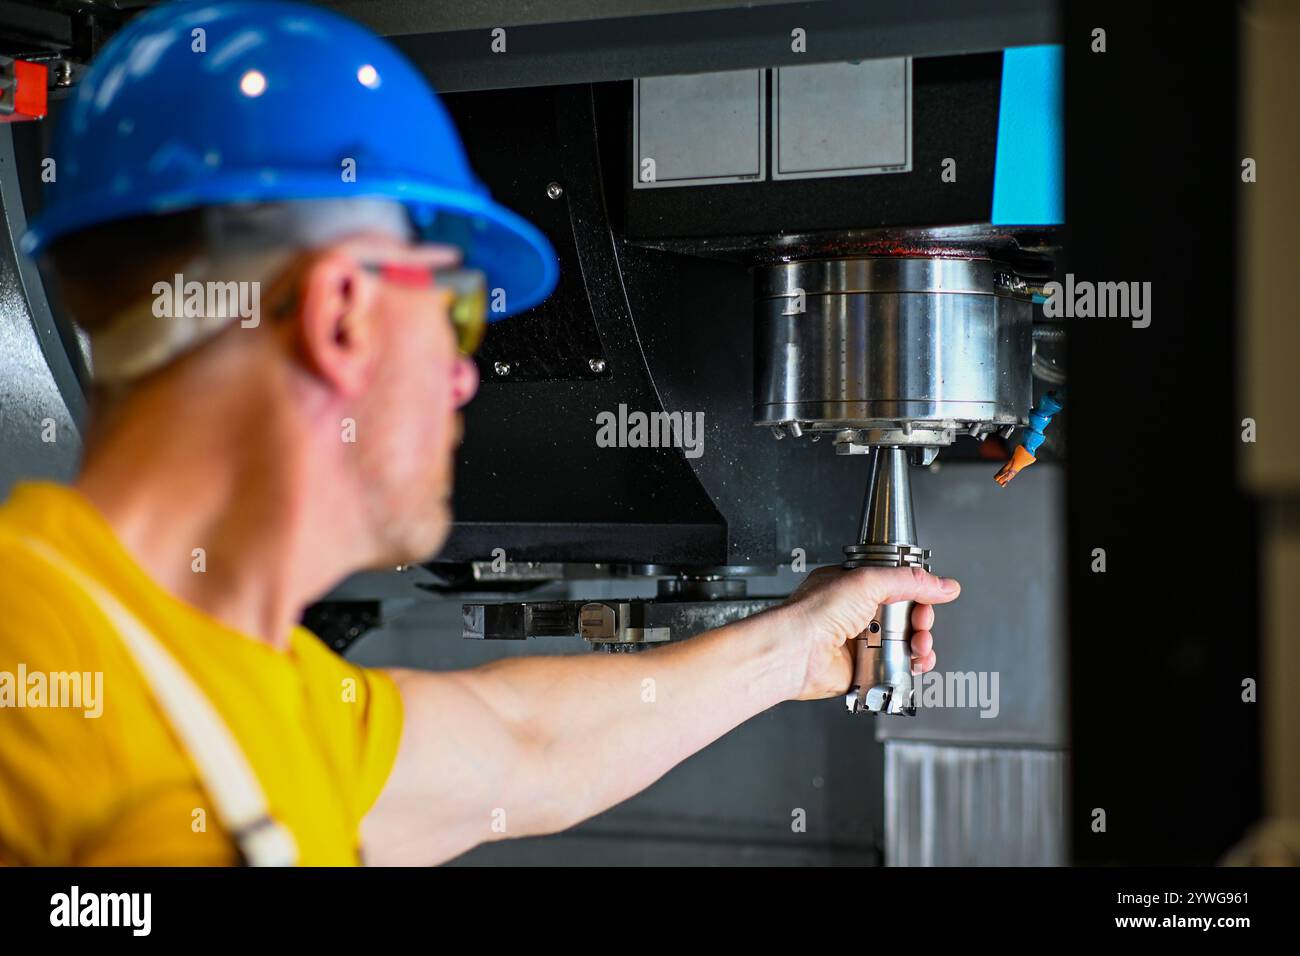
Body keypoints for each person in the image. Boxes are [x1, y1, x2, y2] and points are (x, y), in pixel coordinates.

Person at [0, 0, 959, 866]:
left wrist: (790, 650)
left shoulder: (232, 685)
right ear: (343, 316)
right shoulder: (52, 691)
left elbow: (517, 751)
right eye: (458, 315)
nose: (465, 374)